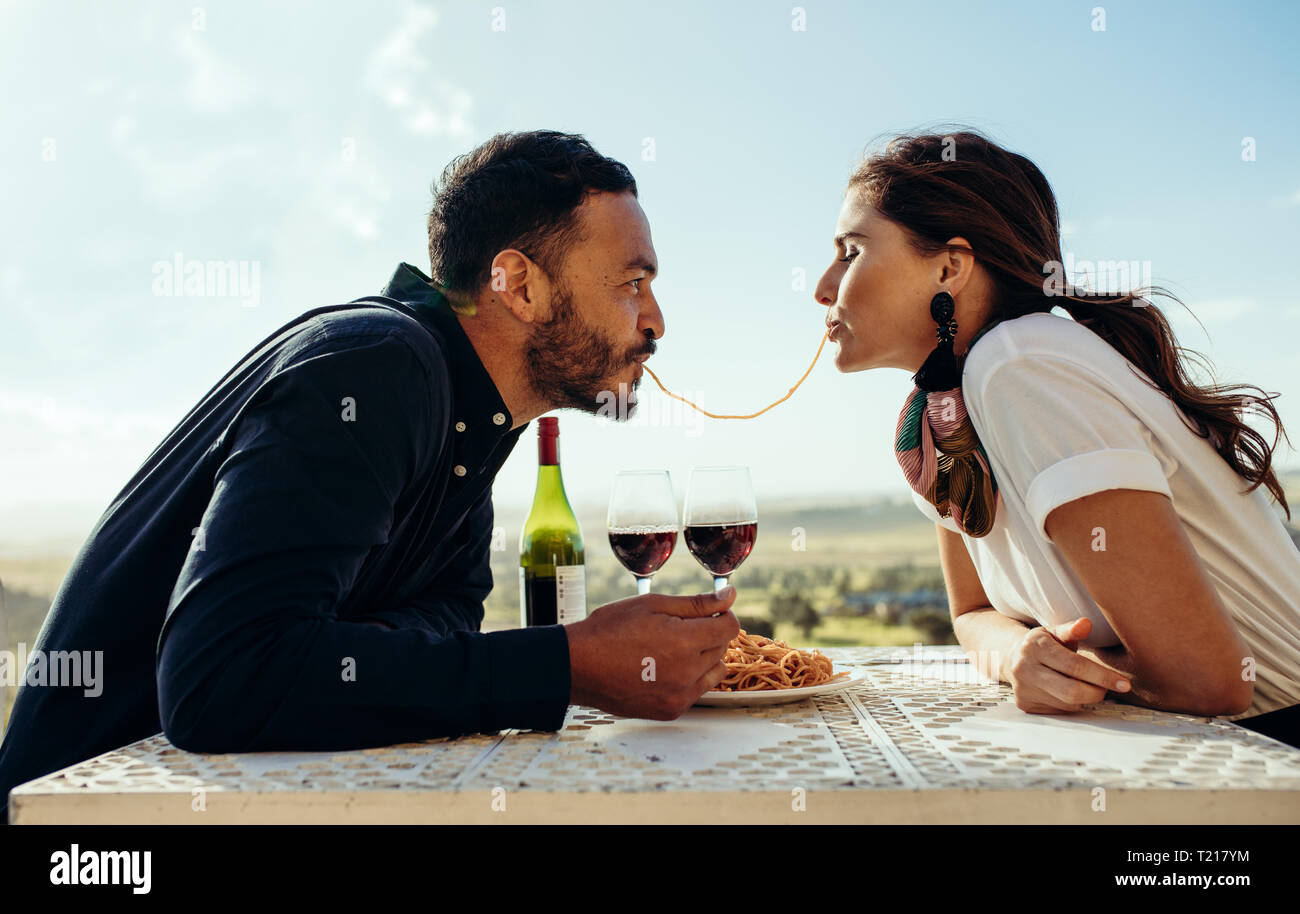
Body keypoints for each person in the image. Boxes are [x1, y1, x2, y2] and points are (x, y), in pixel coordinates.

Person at [0, 130, 739, 823]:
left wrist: (339, 647)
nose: (656, 322)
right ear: (517, 284)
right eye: (631, 283)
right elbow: (221, 680)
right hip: (87, 823)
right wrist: (565, 664)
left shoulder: (473, 415)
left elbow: (452, 612)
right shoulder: (378, 365)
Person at [813, 128, 1300, 747]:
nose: (822, 286)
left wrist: (1067, 677)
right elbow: (970, 615)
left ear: (949, 267)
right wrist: (1021, 653)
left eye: (850, 251)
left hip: (1275, 750)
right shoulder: (943, 411)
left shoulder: (1022, 365)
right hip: (1194, 747)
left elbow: (1208, 682)